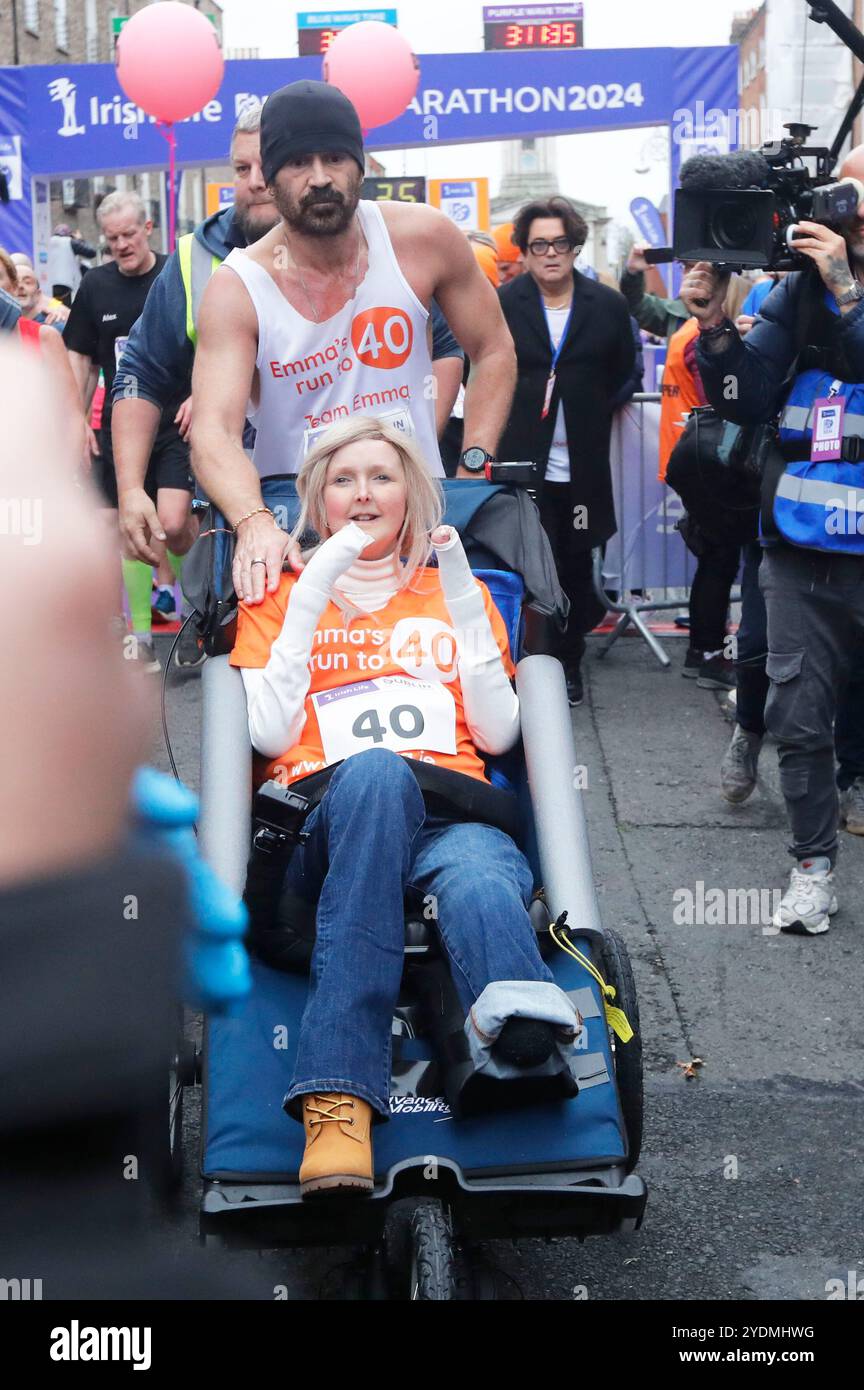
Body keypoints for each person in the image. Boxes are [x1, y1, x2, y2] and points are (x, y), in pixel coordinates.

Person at [230, 415, 580, 1195]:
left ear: (412, 494)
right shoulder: (279, 592)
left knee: (485, 876)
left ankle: (516, 1037)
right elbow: (267, 729)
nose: (363, 493)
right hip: (324, 819)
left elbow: (496, 729)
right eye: (343, 480)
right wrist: (316, 586)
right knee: (380, 774)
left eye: (381, 477)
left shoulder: (458, 590)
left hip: (450, 810)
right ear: (318, 500)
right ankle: (338, 1093)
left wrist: (457, 592)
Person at [191, 79, 516, 609]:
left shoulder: (424, 238)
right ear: (269, 180)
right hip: (301, 531)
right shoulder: (238, 287)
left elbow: (494, 348)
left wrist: (473, 468)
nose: (320, 178)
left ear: (360, 166)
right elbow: (213, 432)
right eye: (298, 163)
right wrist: (253, 523)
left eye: (336, 157)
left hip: (418, 518)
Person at [682, 143, 864, 935]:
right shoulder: (793, 292)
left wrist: (848, 293)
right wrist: (715, 323)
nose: (844, 213)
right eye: (843, 196)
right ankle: (812, 868)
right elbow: (748, 398)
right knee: (796, 714)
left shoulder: (835, 286)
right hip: (800, 538)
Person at [497, 196, 636, 707]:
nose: (550, 254)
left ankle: (569, 660)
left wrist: (590, 407)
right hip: (523, 463)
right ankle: (533, 664)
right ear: (526, 252)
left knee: (576, 564)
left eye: (559, 243)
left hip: (580, 468)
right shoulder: (504, 302)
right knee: (531, 565)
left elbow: (626, 371)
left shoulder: (607, 305)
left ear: (574, 247)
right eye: (539, 245)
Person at [64, 190, 195, 673]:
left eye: (128, 234)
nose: (121, 245)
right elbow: (81, 358)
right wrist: (76, 418)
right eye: (112, 238)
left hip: (176, 419)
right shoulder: (95, 287)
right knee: (129, 526)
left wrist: (201, 395)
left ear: (148, 229)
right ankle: (140, 635)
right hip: (120, 425)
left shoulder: (174, 275)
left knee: (176, 523)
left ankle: (189, 612)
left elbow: (209, 339)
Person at [0, 249, 87, 467]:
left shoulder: (45, 336)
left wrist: (67, 474)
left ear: (12, 285)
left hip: (39, 466)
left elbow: (73, 416)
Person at [9, 252, 68, 328]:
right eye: (15, 281)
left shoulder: (49, 304)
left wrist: (58, 315)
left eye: (27, 282)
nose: (20, 286)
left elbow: (63, 311)